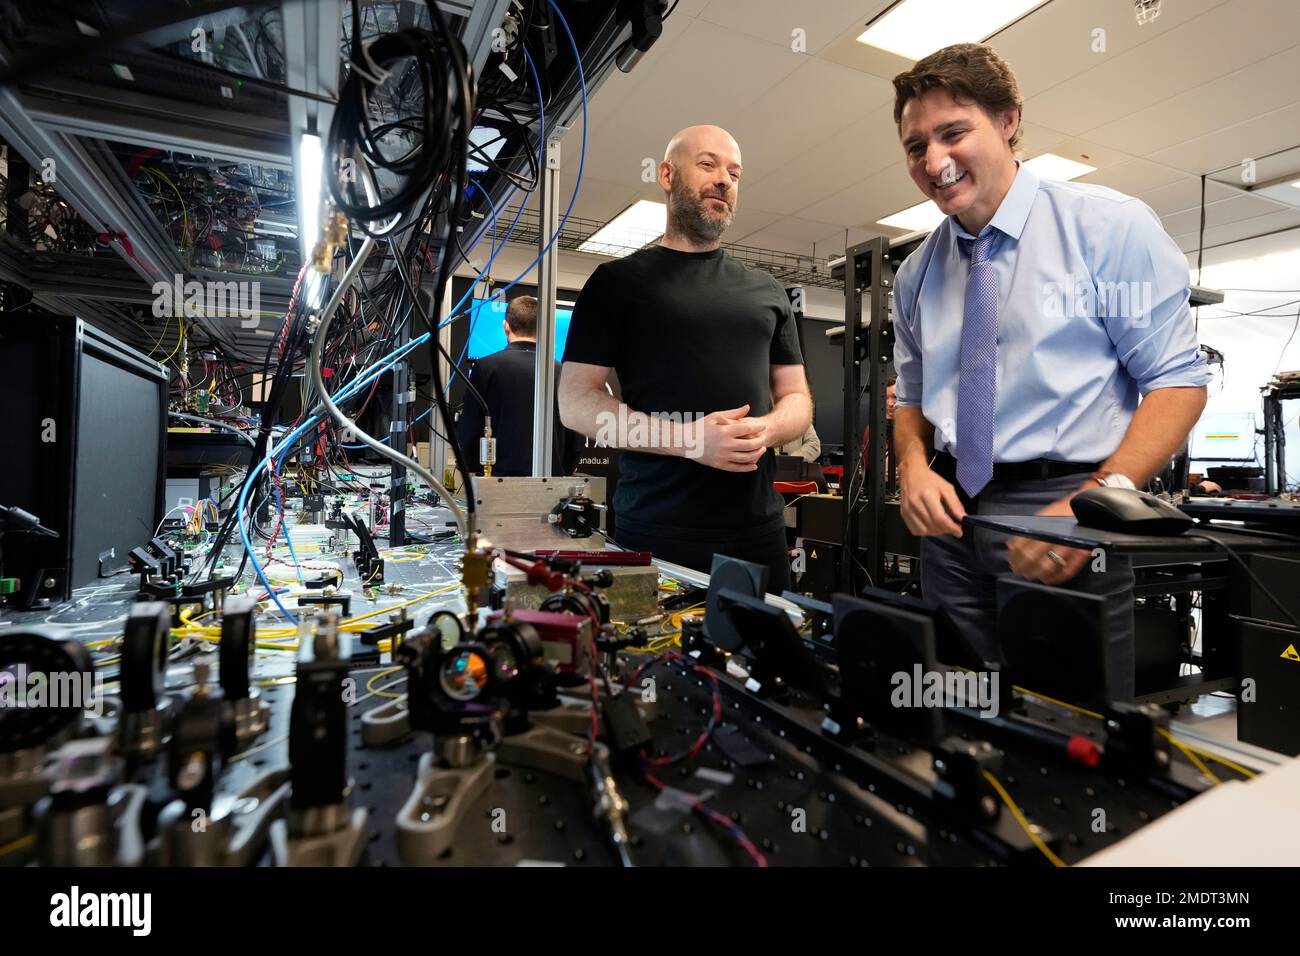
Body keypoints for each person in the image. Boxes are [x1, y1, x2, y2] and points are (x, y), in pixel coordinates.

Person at [888, 44, 1210, 697]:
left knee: (1070, 716)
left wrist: (1094, 502)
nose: (933, 160)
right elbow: (912, 398)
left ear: (1008, 120)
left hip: (1066, 504)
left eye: (953, 133)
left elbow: (1178, 383)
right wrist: (913, 468)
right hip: (950, 517)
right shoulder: (916, 272)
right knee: (960, 702)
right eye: (916, 145)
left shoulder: (1107, 228)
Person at [559, 125, 812, 591]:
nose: (724, 180)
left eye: (734, 173)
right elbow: (575, 403)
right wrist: (691, 441)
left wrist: (764, 430)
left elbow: (797, 398)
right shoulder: (616, 284)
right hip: (655, 530)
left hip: (758, 533)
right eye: (708, 164)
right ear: (667, 174)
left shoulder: (768, 290)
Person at [456, 295, 578, 477]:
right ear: (543, 327)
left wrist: (474, 466)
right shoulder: (562, 372)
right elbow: (575, 439)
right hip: (552, 482)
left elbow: (470, 430)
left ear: (506, 326)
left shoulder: (485, 368)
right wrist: (561, 471)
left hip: (497, 480)